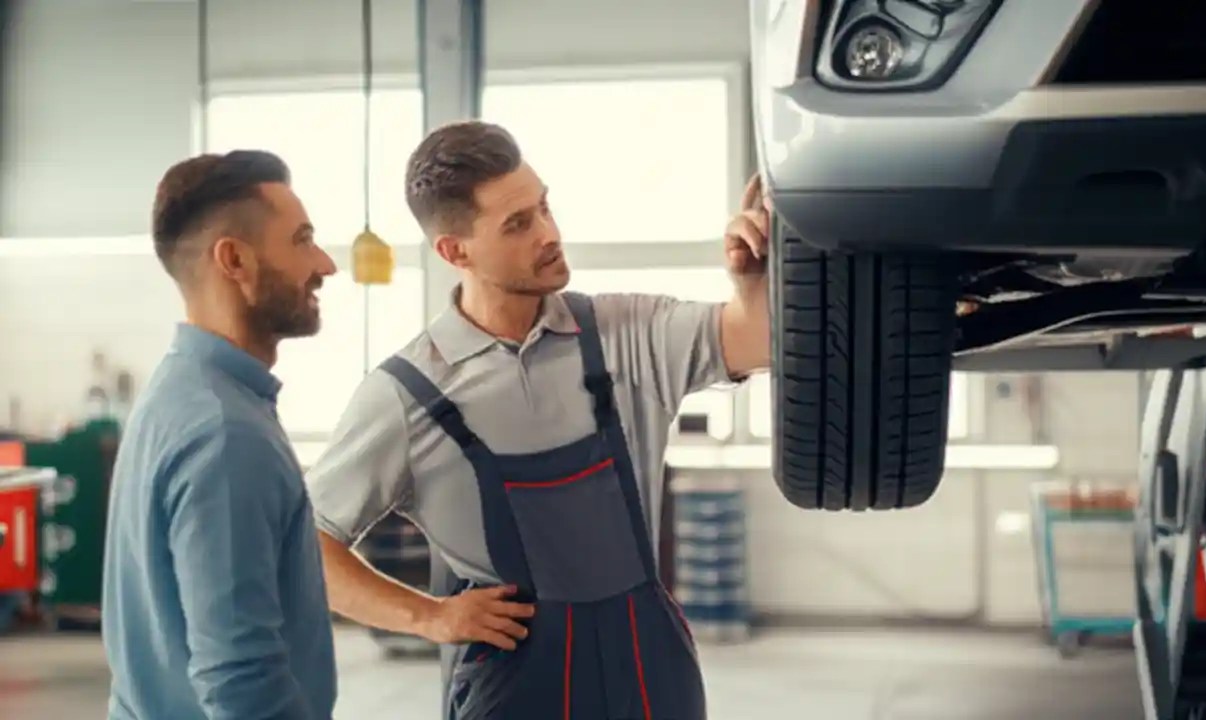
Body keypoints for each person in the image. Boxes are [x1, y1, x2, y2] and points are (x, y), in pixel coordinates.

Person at [305, 120, 770, 719]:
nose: (549, 234)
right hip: (517, 685)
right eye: (518, 224)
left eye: (544, 206)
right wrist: (430, 616)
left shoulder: (626, 335)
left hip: (650, 667)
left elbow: (755, 339)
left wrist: (755, 279)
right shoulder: (408, 396)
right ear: (455, 251)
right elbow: (303, 543)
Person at [101, 150, 340, 720]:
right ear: (234, 259)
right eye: (302, 240)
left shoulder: (178, 391)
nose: (325, 264)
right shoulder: (225, 433)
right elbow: (240, 678)